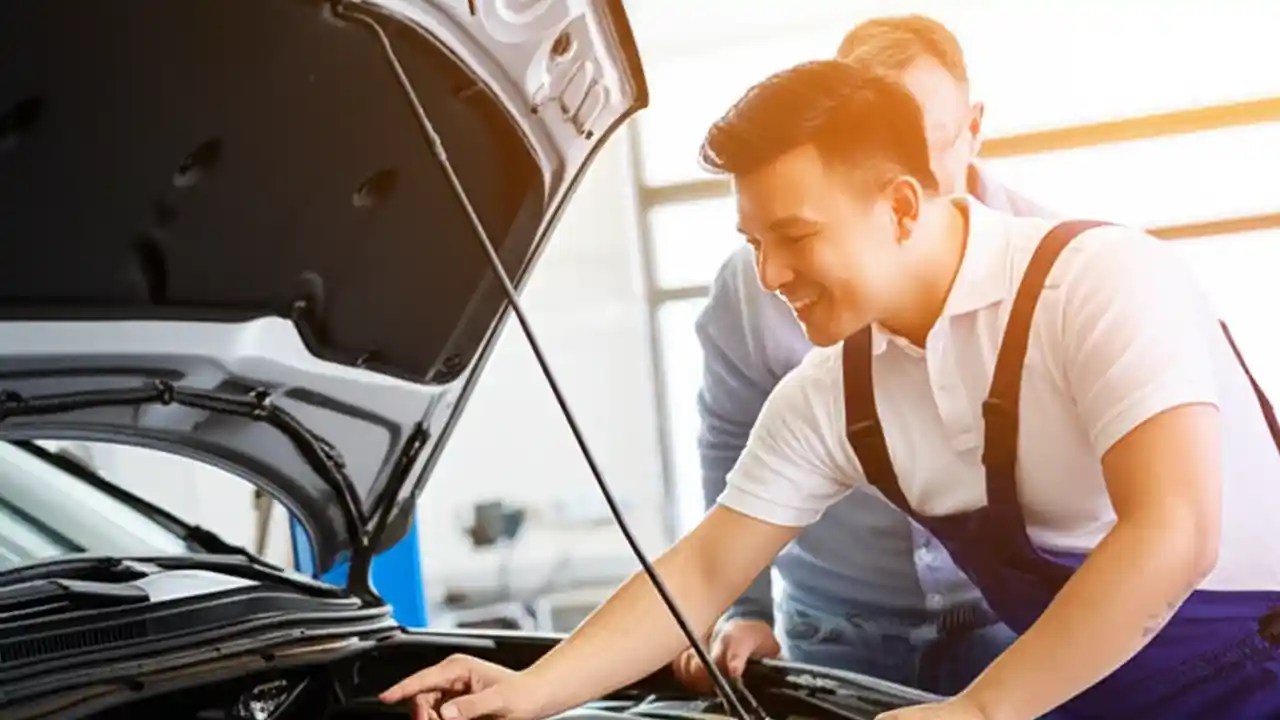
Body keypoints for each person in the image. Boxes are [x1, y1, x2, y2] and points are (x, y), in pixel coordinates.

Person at [378, 60, 1280, 720]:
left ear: (900, 206)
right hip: (1086, 691)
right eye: (753, 242)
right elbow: (704, 569)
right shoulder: (837, 394)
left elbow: (1173, 532)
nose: (769, 274)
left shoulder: (1098, 280)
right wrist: (534, 690)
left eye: (796, 236)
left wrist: (980, 709)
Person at [673, 14, 1051, 696]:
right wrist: (743, 609)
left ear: (973, 128)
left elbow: (1161, 525)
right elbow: (729, 456)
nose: (909, 180)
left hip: (1018, 623)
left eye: (927, 146)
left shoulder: (1054, 273)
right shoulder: (769, 299)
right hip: (835, 629)